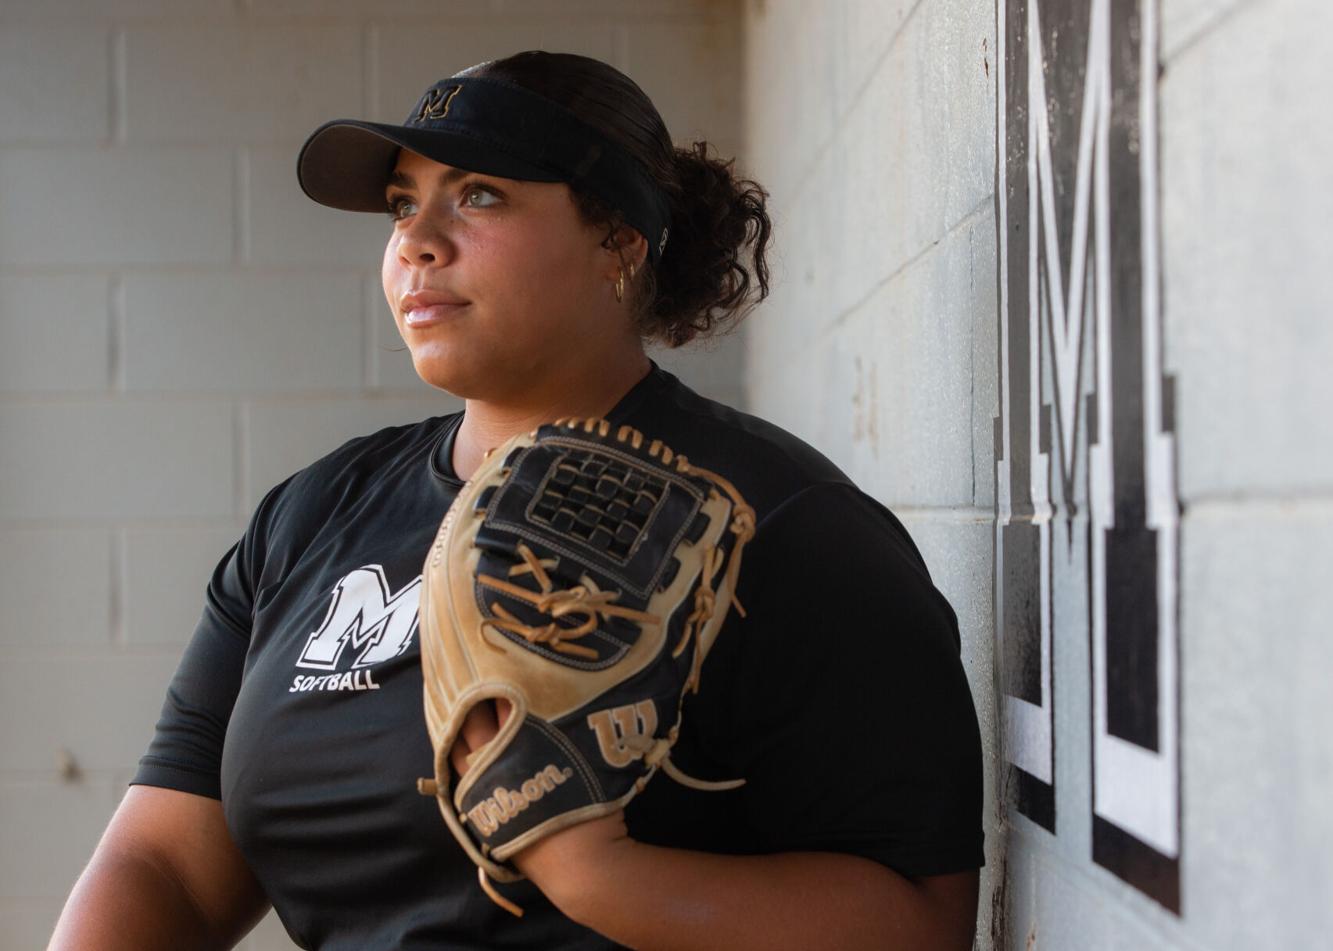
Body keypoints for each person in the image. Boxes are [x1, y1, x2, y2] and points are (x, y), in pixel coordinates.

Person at [48, 51, 984, 951]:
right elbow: (165, 862)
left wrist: (598, 876)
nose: (417, 238)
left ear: (617, 238)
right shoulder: (311, 517)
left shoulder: (779, 520)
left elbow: (917, 919)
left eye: (479, 195)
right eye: (401, 204)